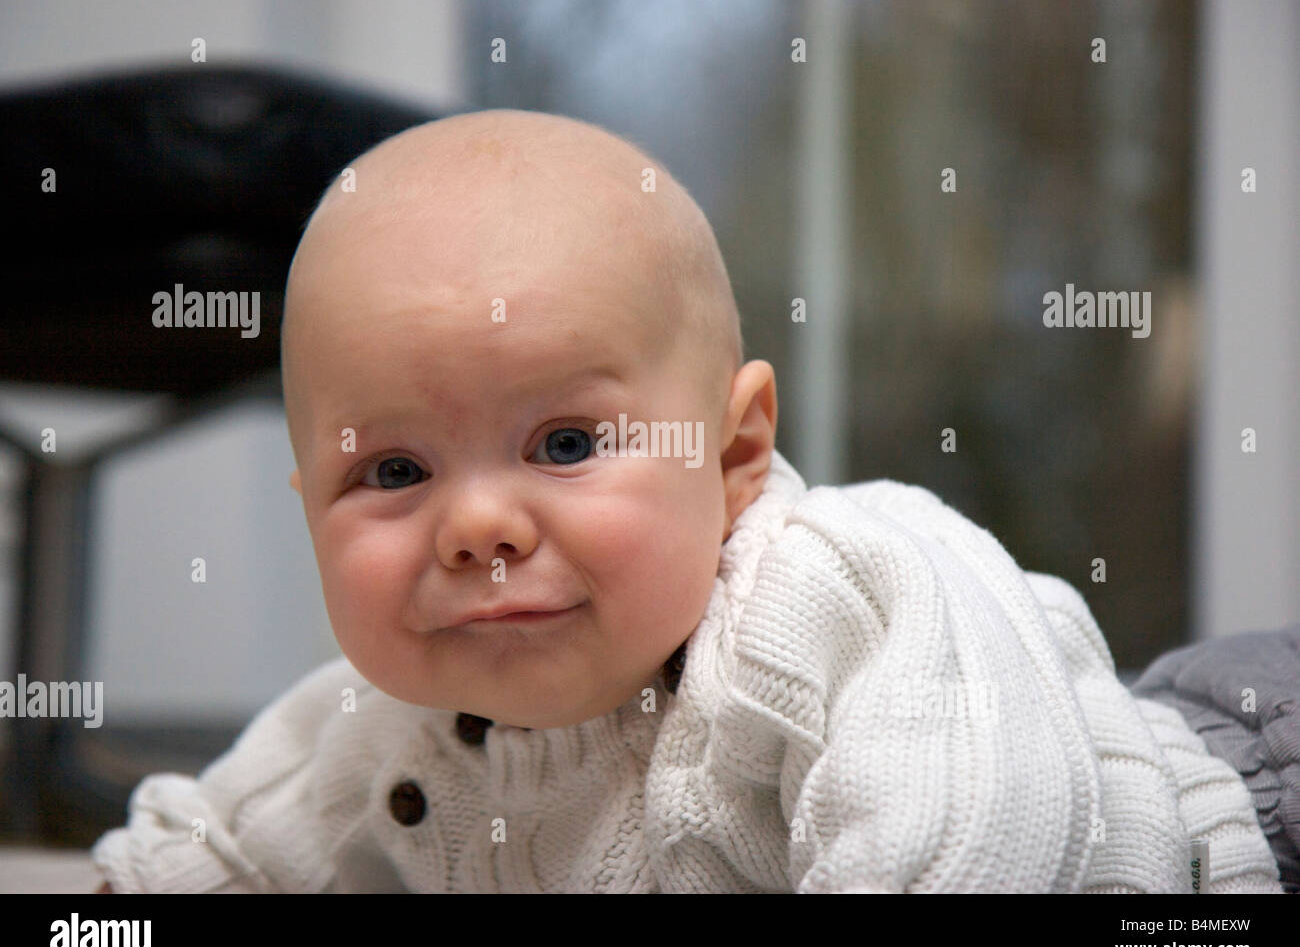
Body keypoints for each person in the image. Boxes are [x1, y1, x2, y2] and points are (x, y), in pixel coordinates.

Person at [92, 109, 1280, 892]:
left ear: (733, 453)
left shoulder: (831, 596)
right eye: (393, 472)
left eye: (563, 442)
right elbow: (187, 867)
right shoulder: (370, 729)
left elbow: (994, 835)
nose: (475, 527)